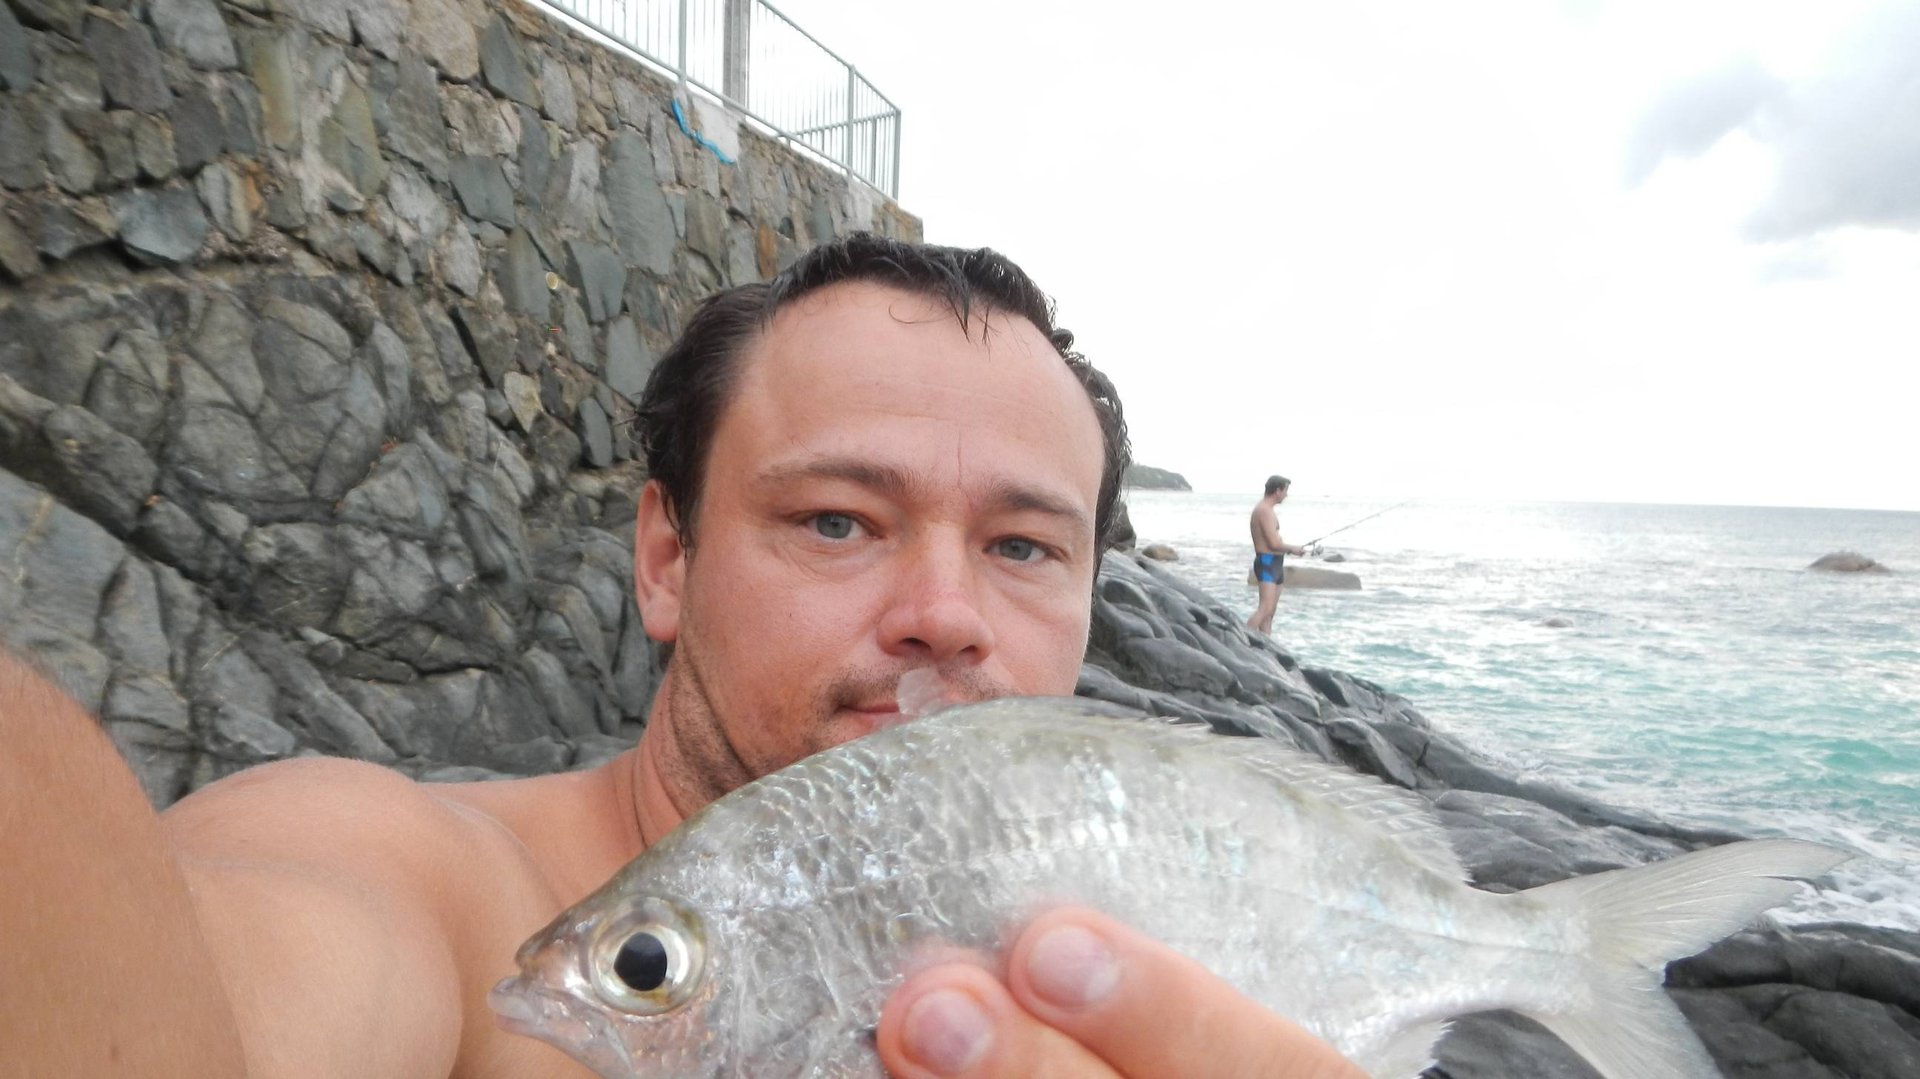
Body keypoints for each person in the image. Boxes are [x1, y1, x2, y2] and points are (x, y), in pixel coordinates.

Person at [0, 236, 1363, 1078]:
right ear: (665, 556)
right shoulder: (445, 892)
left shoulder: (1190, 950)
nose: (946, 612)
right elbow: (215, 980)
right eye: (837, 519)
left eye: (1021, 546)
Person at [1247, 474, 1308, 635]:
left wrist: (1289, 549)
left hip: (1276, 563)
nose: (1286, 495)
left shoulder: (1268, 510)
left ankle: (1265, 644)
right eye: (1286, 490)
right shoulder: (1264, 511)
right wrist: (1293, 549)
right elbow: (1273, 544)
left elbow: (1275, 543)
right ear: (1277, 491)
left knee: (1269, 614)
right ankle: (1242, 637)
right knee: (1264, 609)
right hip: (1267, 562)